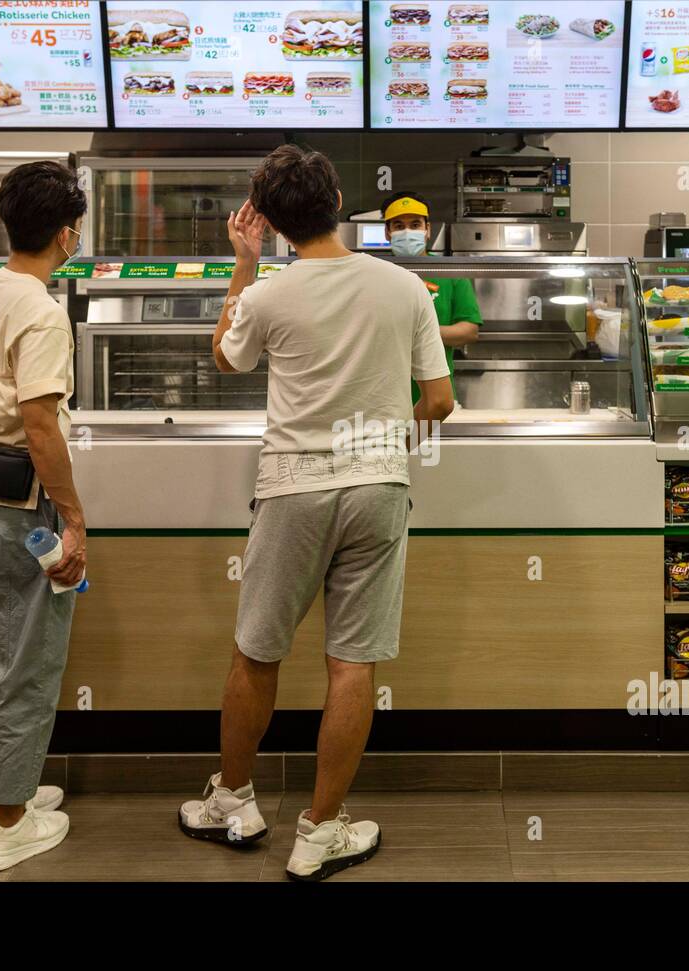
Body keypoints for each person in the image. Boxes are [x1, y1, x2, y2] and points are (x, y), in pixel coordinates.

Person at [179, 146, 454, 881]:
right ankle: (320, 828)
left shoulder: (271, 293)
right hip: (378, 484)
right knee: (351, 662)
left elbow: (226, 359)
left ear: (267, 219)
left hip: (293, 485)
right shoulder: (405, 288)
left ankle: (234, 801)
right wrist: (394, 431)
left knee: (257, 650)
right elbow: (441, 400)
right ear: (336, 196)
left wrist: (245, 262)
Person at [0, 160, 88, 872]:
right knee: (29, 665)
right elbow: (39, 424)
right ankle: (8, 824)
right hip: (26, 507)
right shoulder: (41, 309)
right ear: (67, 233)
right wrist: (73, 518)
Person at [381, 191, 482, 404]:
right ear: (387, 233)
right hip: (384, 399)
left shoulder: (450, 273)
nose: (407, 232)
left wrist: (419, 332)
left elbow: (469, 331)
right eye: (399, 226)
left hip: (435, 398)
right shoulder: (374, 274)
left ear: (428, 230)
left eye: (415, 225)